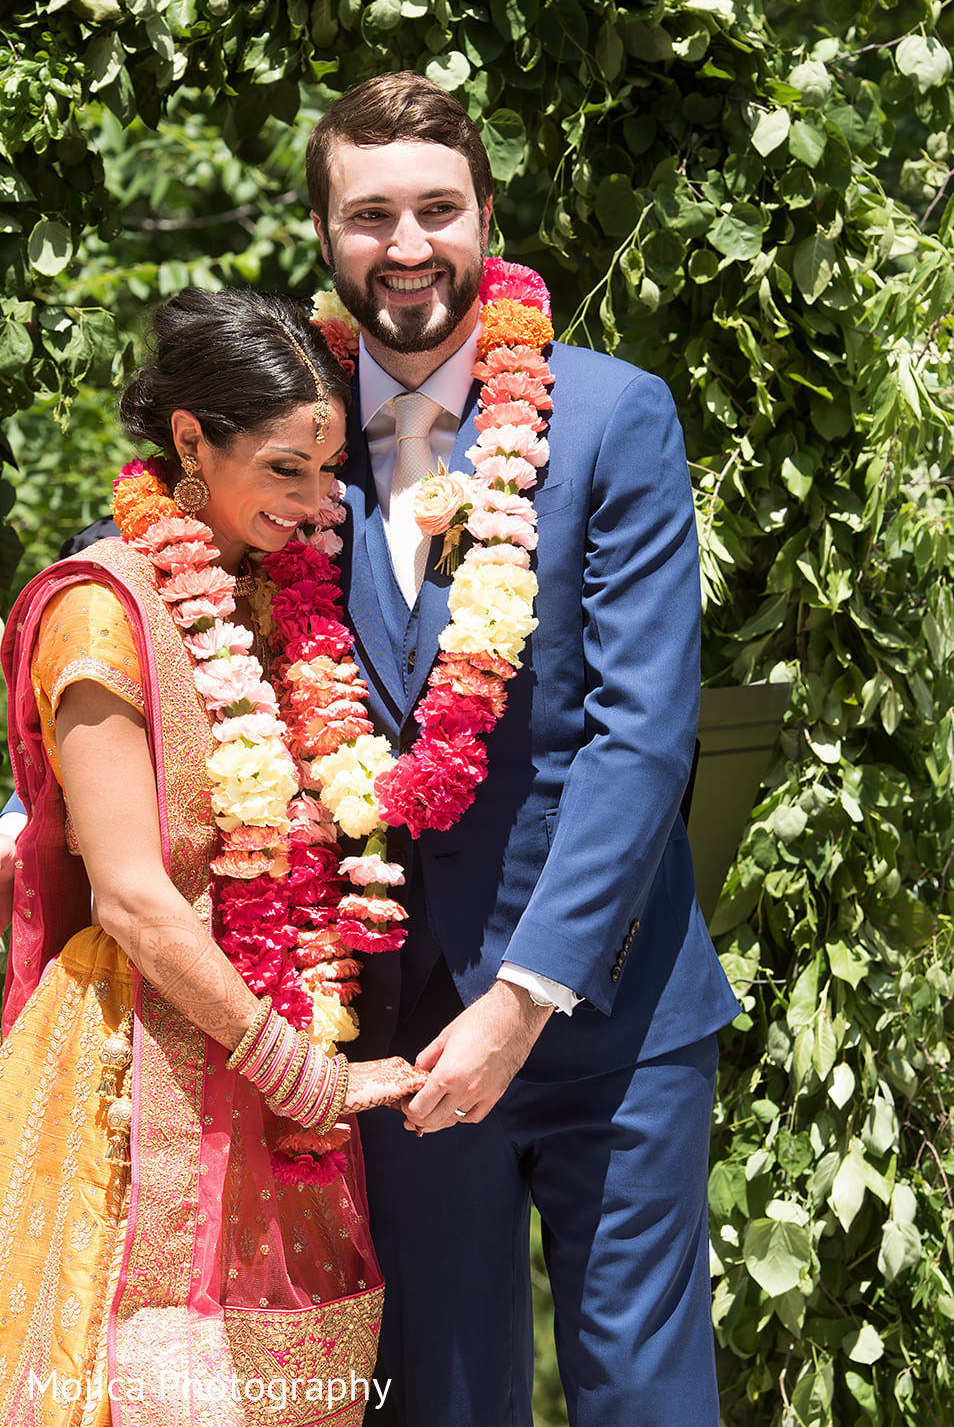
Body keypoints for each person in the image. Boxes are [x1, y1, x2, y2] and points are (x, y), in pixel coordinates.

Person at [304, 72, 740, 1427]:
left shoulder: (615, 418)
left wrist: (526, 993)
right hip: (394, 1029)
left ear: (486, 217)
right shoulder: (284, 435)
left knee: (640, 1396)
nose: (409, 245)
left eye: (438, 208)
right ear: (324, 235)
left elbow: (640, 731)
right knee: (436, 1398)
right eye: (371, 214)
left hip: (611, 1014)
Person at [0, 288, 425, 1424]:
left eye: (328, 472)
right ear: (189, 439)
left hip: (277, 1064)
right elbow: (135, 897)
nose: (315, 501)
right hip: (139, 1079)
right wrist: (298, 1072)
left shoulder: (277, 601)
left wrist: (300, 1068)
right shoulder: (97, 616)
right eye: (285, 469)